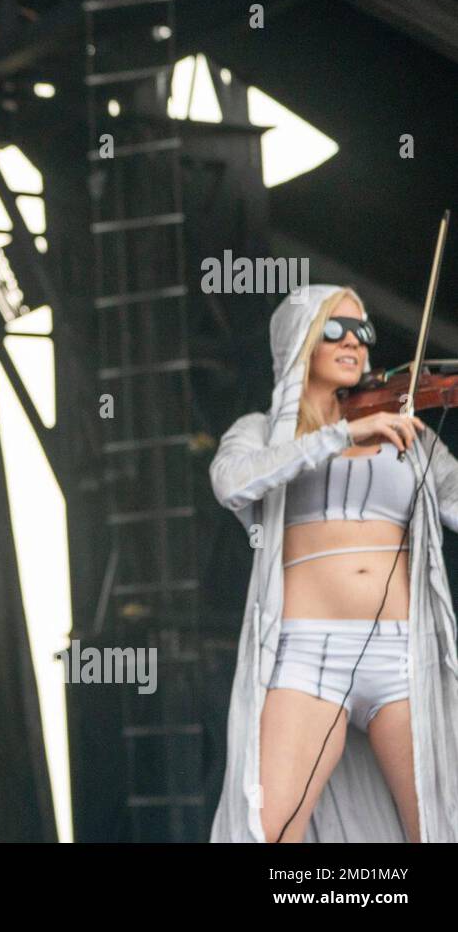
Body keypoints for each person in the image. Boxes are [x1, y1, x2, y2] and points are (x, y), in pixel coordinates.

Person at [209, 283, 458, 842]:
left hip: (403, 654)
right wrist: (341, 433)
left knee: (441, 830)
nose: (354, 341)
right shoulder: (261, 431)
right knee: (267, 834)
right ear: (298, 341)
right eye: (334, 329)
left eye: (363, 331)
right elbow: (232, 483)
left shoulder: (409, 432)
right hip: (307, 654)